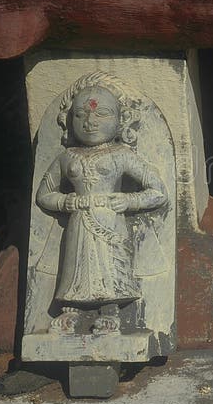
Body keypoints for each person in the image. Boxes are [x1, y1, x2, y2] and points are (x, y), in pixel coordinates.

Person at [36, 72, 167, 335]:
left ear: (121, 122)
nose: (90, 121)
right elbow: (43, 195)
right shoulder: (67, 157)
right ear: (68, 120)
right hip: (79, 219)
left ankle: (110, 311)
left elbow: (159, 192)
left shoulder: (121, 155)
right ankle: (70, 310)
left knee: (111, 267)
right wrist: (65, 202)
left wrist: (129, 201)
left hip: (110, 219)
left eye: (102, 114)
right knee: (74, 266)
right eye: (81, 115)